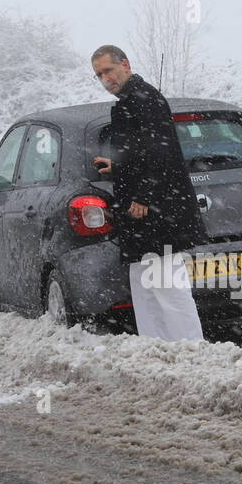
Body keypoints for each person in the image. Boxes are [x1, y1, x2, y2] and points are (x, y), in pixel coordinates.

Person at [90, 44, 208, 341]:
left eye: (108, 70)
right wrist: (117, 167)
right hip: (143, 215)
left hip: (158, 212)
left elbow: (161, 154)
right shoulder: (130, 101)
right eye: (99, 74)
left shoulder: (145, 100)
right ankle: (155, 350)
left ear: (125, 65)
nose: (105, 78)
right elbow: (142, 154)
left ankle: (192, 351)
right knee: (144, 288)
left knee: (168, 287)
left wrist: (144, 195)